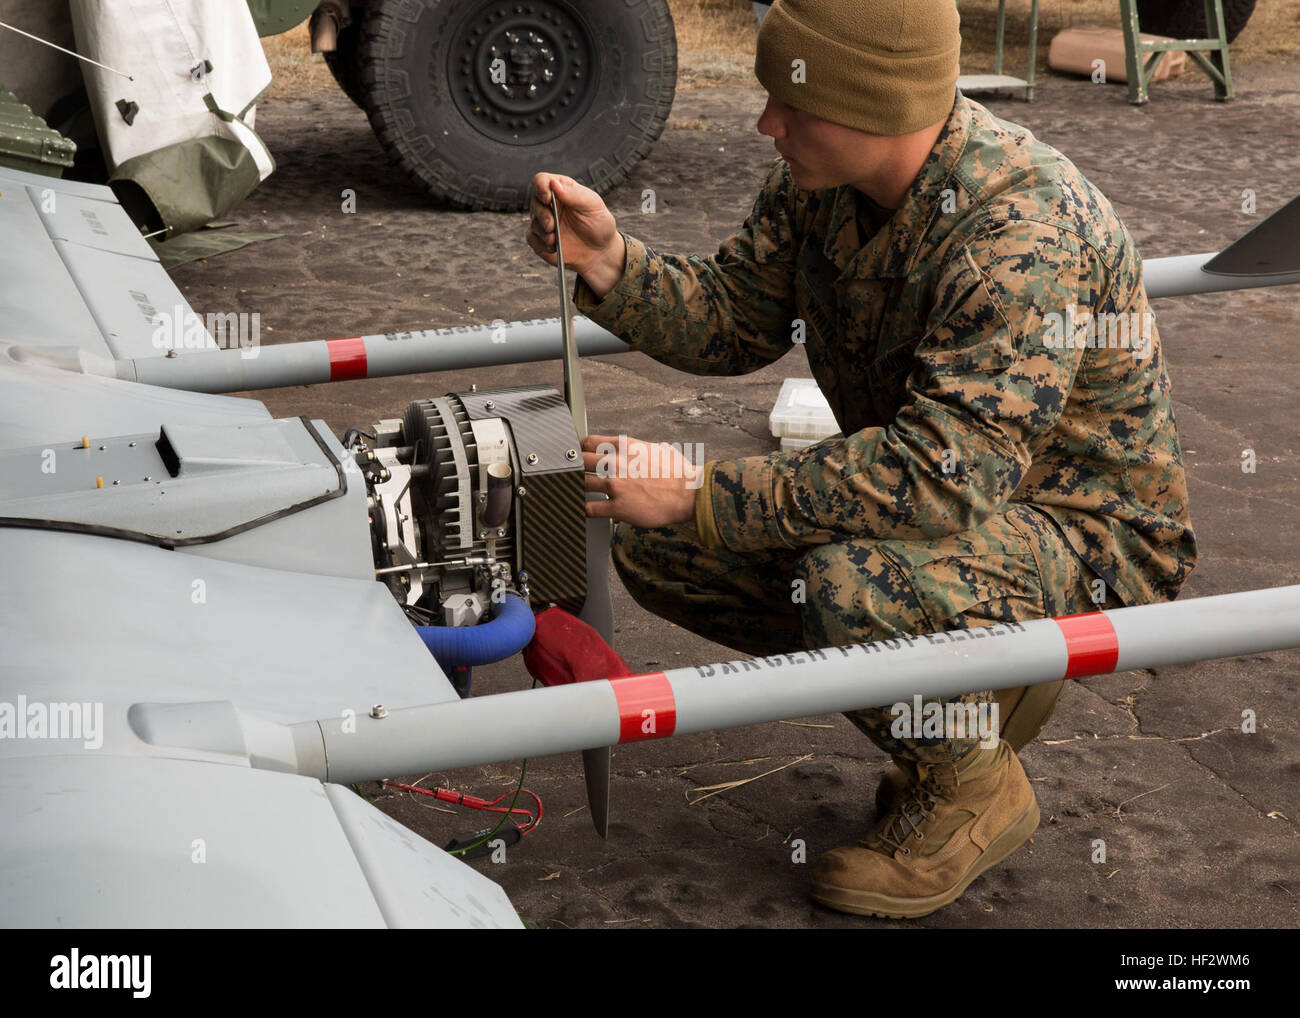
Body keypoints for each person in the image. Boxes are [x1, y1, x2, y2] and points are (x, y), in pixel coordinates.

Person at [525, 0, 1196, 919]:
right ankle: (960, 701)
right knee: (662, 548)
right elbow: (734, 313)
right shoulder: (820, 185)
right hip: (947, 506)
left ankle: (971, 782)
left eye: (787, 105)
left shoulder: (1022, 232)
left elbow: (944, 470)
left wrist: (699, 490)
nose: (767, 126)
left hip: (1083, 531)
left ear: (871, 101)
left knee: (849, 584)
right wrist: (610, 263)